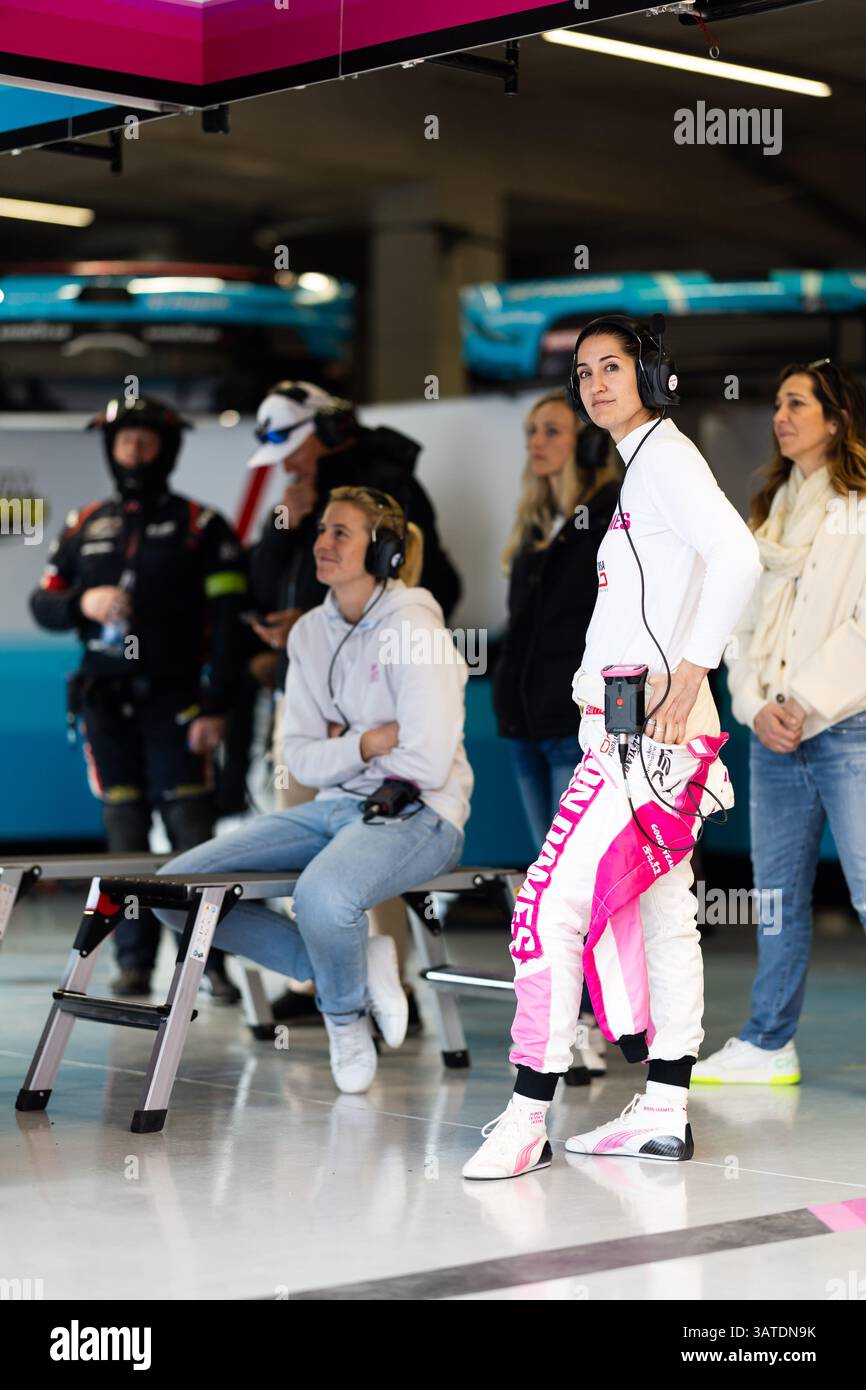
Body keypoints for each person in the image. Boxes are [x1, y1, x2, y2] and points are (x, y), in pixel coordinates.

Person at [463, 314, 761, 1179]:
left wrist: (691, 670)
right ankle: (664, 1108)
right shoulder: (641, 467)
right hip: (648, 735)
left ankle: (528, 1113)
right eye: (584, 371)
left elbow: (737, 556)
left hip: (644, 740)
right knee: (667, 920)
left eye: (612, 367)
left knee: (544, 907)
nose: (595, 383)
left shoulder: (663, 457)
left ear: (651, 375)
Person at [155, 487, 472, 1093]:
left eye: (341, 534)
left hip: (423, 812)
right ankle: (349, 969)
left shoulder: (416, 629)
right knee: (176, 891)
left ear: (382, 553)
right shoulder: (308, 636)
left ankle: (345, 1019)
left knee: (324, 894)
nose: (322, 544)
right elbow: (299, 756)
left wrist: (342, 741)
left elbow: (428, 761)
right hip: (334, 806)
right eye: (322, 530)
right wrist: (366, 741)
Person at [246, 382, 462, 1028]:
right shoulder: (299, 508)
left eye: (297, 450)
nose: (290, 466)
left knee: (366, 860)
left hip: (381, 730)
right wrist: (288, 524)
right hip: (309, 695)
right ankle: (332, 976)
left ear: (330, 432)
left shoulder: (389, 488)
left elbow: (437, 583)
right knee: (304, 858)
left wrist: (368, 699)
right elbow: (263, 587)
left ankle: (385, 978)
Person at [30, 395, 248, 1001]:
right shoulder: (83, 524)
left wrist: (217, 705)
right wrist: (83, 604)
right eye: (125, 440)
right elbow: (43, 604)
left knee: (193, 835)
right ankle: (131, 962)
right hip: (105, 703)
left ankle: (207, 965)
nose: (135, 451)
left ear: (168, 448)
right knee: (123, 833)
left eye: (147, 441)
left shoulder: (202, 527)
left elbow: (230, 624)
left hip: (178, 704)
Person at [695, 359, 866, 1085]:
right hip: (773, 736)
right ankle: (768, 1043)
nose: (780, 416)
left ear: (836, 419)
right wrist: (755, 706)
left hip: (847, 727)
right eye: (777, 404)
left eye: (797, 404)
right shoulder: (764, 512)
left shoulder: (859, 510)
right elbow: (739, 625)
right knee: (775, 895)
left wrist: (805, 700)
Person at [494, 391, 620, 1080]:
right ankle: (564, 1021)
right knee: (546, 891)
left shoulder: (606, 518)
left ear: (586, 441)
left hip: (575, 729)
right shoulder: (532, 525)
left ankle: (593, 1023)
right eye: (531, 431)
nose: (536, 441)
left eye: (551, 430)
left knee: (577, 887)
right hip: (523, 726)